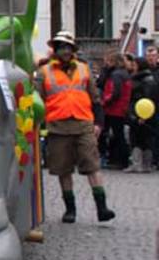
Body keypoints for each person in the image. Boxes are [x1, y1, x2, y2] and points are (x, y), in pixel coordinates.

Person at [37, 31, 114, 223]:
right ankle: (70, 209)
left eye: (67, 47)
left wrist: (99, 122)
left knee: (92, 165)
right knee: (63, 170)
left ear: (73, 49)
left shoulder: (84, 69)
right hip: (57, 126)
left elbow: (95, 98)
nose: (64, 50)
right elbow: (37, 99)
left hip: (83, 123)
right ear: (55, 50)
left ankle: (102, 208)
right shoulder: (44, 72)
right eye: (60, 47)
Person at [125, 53, 158, 173]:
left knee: (140, 138)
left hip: (142, 113)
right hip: (139, 112)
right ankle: (143, 164)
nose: (132, 67)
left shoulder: (145, 80)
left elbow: (147, 98)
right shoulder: (145, 78)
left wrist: (142, 115)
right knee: (142, 138)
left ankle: (140, 164)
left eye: (134, 64)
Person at [101, 52, 132, 169]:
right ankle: (121, 160)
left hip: (114, 109)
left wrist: (105, 101)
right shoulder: (124, 73)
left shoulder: (116, 75)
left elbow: (116, 93)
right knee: (119, 135)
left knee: (116, 135)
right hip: (121, 108)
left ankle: (121, 160)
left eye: (108, 61)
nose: (106, 64)